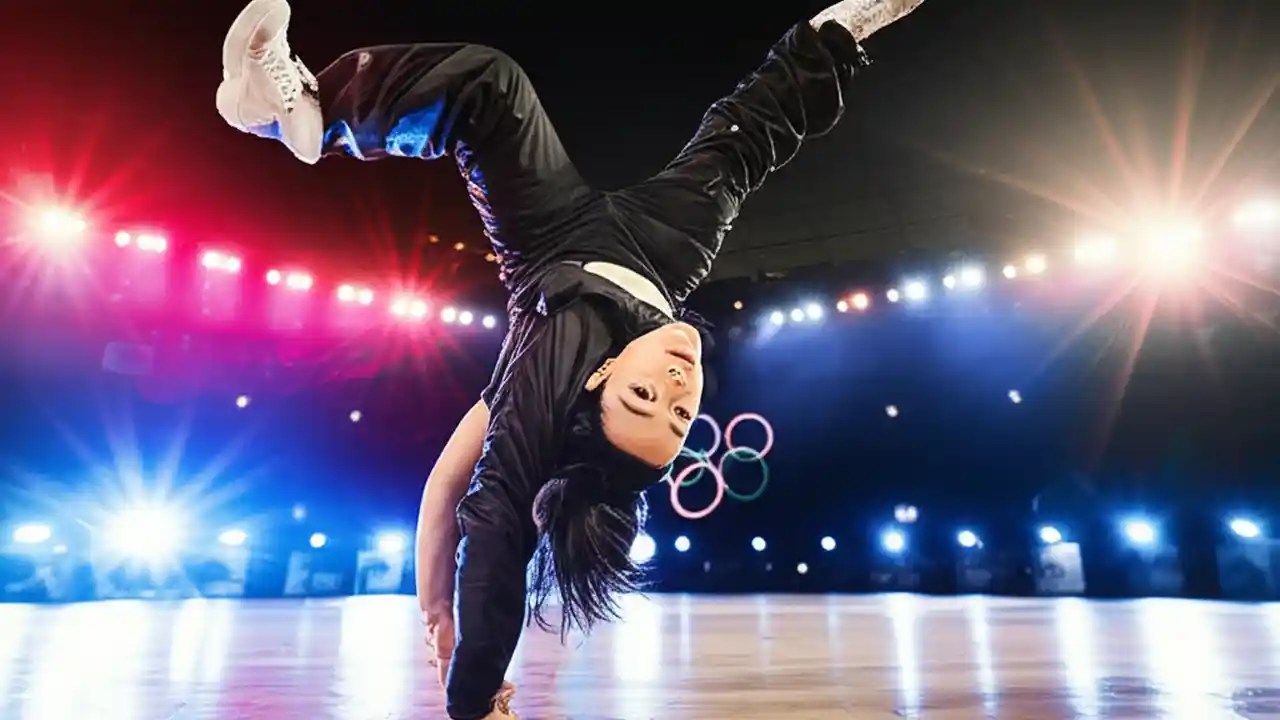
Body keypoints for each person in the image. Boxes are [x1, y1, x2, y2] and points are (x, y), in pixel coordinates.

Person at [215, 0, 926, 717]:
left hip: (549, 244)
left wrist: (467, 674)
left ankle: (297, 110)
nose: (679, 385)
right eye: (682, 415)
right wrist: (848, 30)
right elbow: (755, 131)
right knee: (739, 144)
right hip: (660, 253)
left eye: (645, 399)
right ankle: (844, 25)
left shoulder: (544, 375)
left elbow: (481, 518)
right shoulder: (677, 278)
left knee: (493, 87)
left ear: (602, 378)